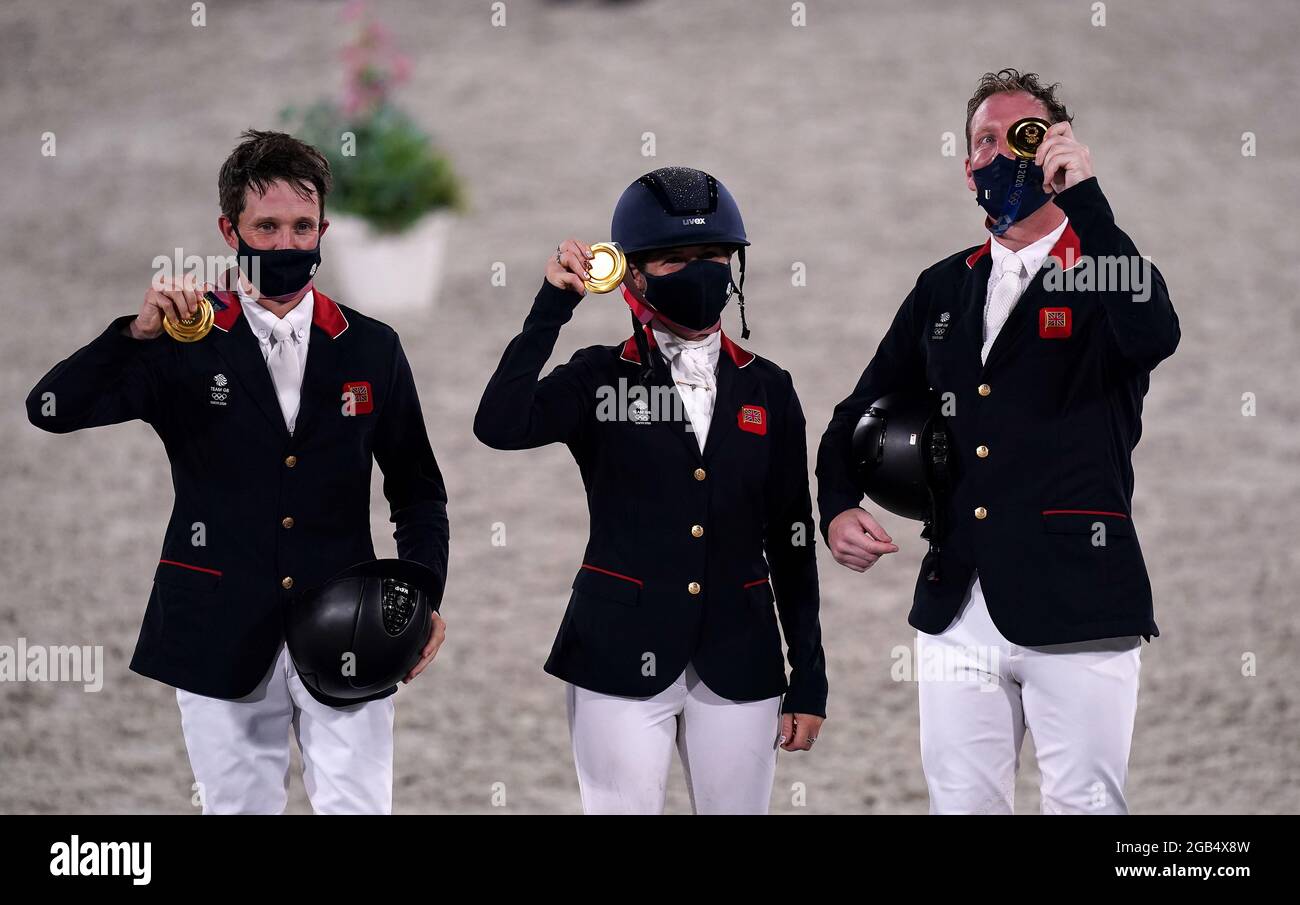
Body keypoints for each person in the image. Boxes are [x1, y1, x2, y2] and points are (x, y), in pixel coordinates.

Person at [26, 130, 449, 815]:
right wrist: (133, 337)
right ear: (230, 230)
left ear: (325, 228)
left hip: (351, 630)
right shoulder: (178, 342)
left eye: (303, 226)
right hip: (216, 628)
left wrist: (422, 591)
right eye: (267, 226)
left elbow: (418, 488)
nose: (287, 243)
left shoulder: (373, 347)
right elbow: (49, 408)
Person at [816, 70, 1179, 814]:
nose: (1001, 153)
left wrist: (1088, 200)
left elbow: (1156, 332)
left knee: (1085, 805)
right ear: (966, 166)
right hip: (958, 607)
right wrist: (836, 503)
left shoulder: (1102, 268)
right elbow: (856, 407)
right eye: (985, 139)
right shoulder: (943, 288)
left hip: (1079, 600)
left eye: (1024, 135)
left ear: (1059, 150)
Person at [475, 166, 827, 814]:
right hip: (616, 647)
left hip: (739, 652)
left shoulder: (769, 387)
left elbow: (791, 535)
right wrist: (554, 303)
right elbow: (499, 423)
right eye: (673, 258)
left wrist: (809, 675)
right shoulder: (597, 376)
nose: (699, 269)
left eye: (712, 255)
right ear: (631, 273)